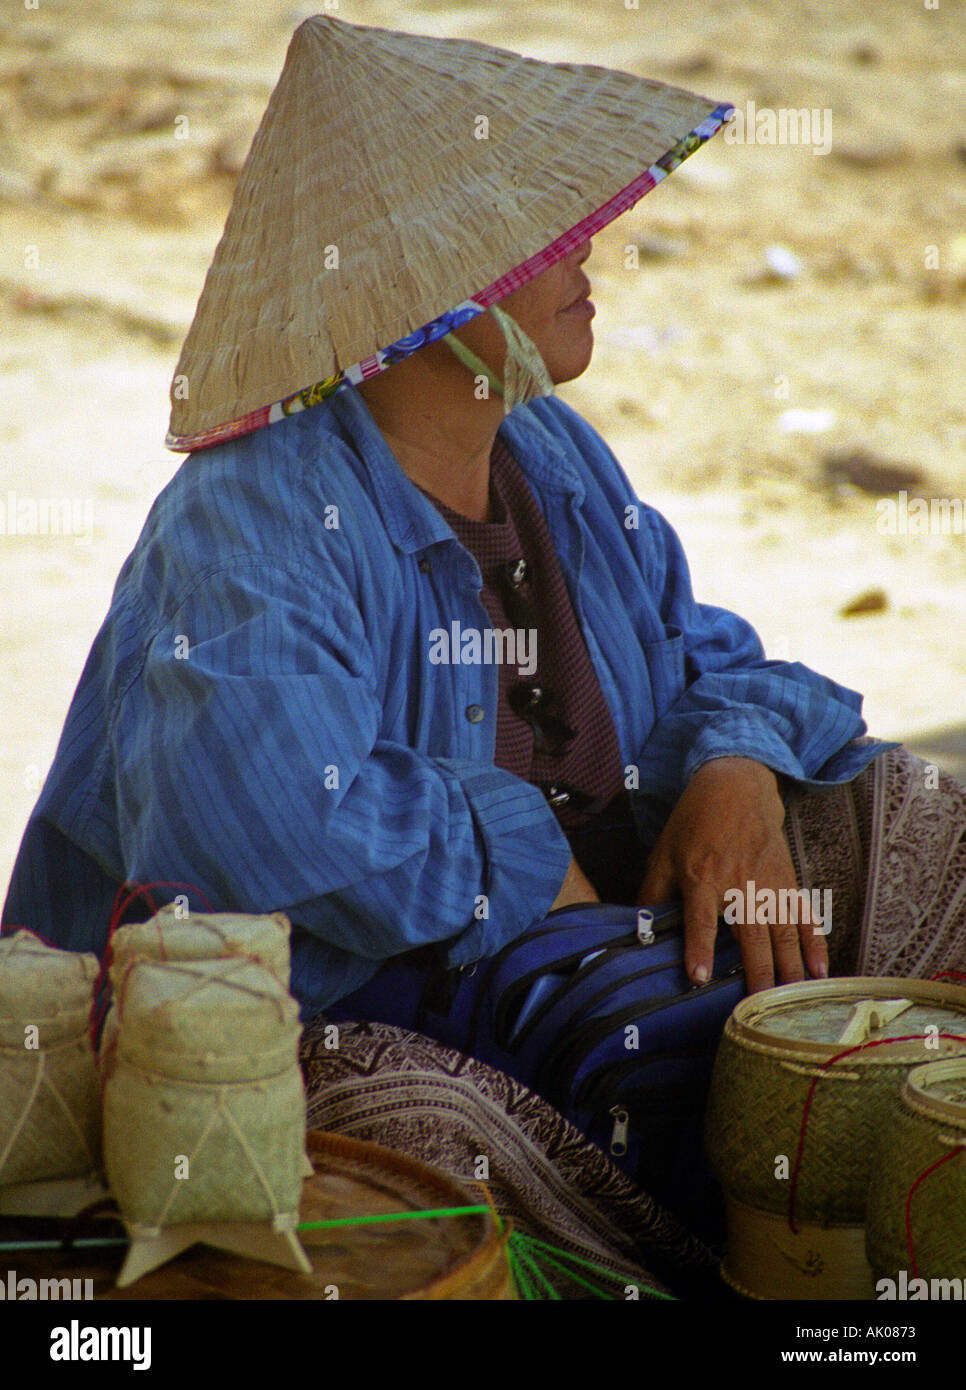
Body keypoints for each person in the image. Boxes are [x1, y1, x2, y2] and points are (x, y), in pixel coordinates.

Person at [4, 14, 965, 1267]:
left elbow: (710, 655)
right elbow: (256, 825)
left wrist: (734, 766)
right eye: (542, 228)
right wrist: (526, 863)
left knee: (918, 819)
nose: (590, 250)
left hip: (577, 939)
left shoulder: (551, 456)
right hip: (316, 1008)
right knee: (472, 1112)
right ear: (428, 283)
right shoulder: (255, 517)